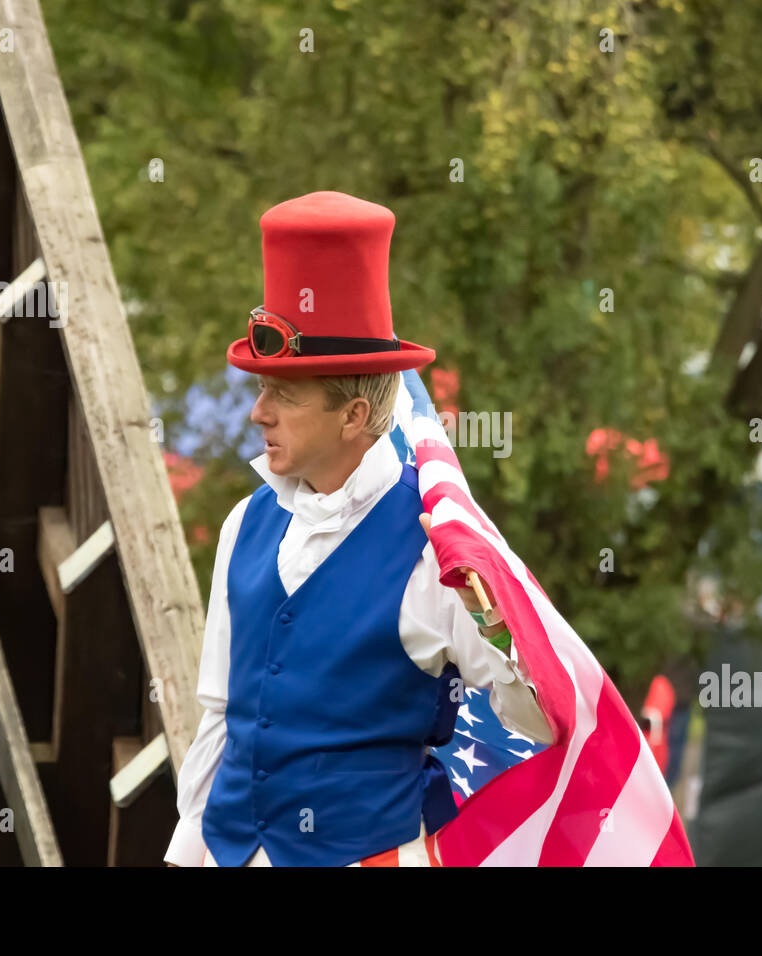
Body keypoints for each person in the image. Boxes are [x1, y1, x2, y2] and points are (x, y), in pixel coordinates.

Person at [164, 191, 553, 868]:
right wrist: (184, 852)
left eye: (282, 394)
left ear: (351, 415)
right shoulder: (244, 524)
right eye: (261, 388)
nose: (258, 413)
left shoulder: (435, 549)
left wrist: (491, 618)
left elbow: (542, 719)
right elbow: (223, 719)